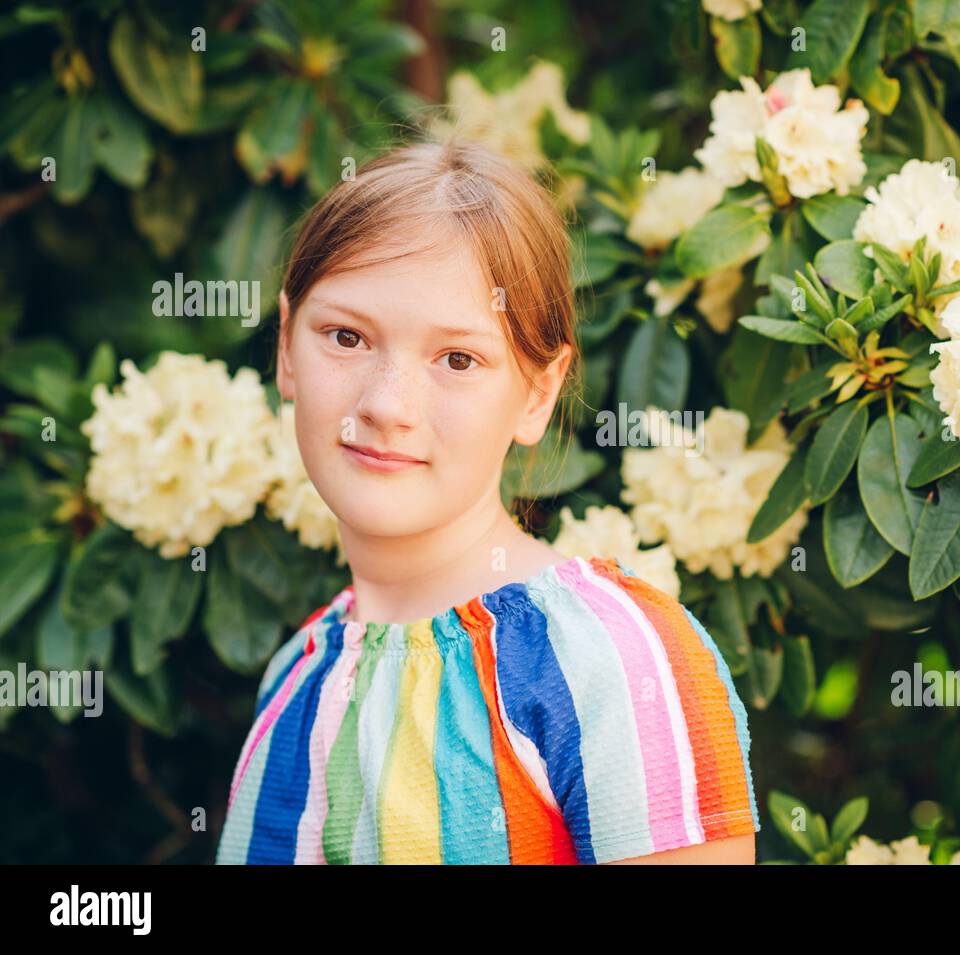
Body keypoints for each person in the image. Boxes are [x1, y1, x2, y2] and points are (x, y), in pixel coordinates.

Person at [214, 137, 759, 864]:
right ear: (286, 348)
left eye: (458, 359)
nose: (387, 404)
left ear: (538, 391)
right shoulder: (297, 670)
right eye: (345, 336)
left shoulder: (614, 661)